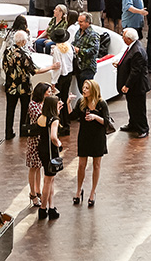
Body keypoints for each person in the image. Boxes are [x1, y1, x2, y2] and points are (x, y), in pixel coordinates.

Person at [68, 79, 108, 207]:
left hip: (98, 137)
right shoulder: (81, 102)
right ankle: (79, 190)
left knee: (96, 165)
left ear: (93, 91)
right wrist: (69, 103)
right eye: (84, 88)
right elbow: (72, 117)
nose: (84, 90)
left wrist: (95, 117)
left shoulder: (101, 104)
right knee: (81, 165)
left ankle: (92, 192)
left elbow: (107, 122)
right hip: (84, 136)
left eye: (86, 88)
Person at [3, 31, 40, 140]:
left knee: (10, 110)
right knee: (25, 110)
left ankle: (8, 133)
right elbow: (33, 70)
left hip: (10, 86)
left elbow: (5, 67)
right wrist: (51, 67)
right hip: (23, 87)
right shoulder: (23, 55)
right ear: (23, 41)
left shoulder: (7, 52)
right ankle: (23, 131)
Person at [116, 28, 151, 138]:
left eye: (124, 36)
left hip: (137, 86)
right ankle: (133, 124)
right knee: (132, 105)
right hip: (134, 86)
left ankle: (142, 128)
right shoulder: (133, 47)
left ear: (129, 39)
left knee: (139, 108)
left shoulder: (137, 51)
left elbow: (135, 71)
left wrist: (127, 85)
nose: (122, 38)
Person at [35, 95, 63, 221]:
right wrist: (59, 144)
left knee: (50, 179)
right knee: (48, 181)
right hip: (51, 151)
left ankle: (51, 207)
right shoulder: (54, 120)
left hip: (42, 150)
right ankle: (43, 208)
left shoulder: (41, 118)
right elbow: (53, 136)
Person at [72, 12, 101, 87]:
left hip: (88, 67)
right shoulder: (78, 32)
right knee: (81, 89)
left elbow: (94, 51)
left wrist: (79, 51)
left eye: (81, 22)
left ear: (87, 22)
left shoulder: (93, 35)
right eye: (78, 21)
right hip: (78, 66)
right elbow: (75, 42)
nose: (79, 23)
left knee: (87, 90)